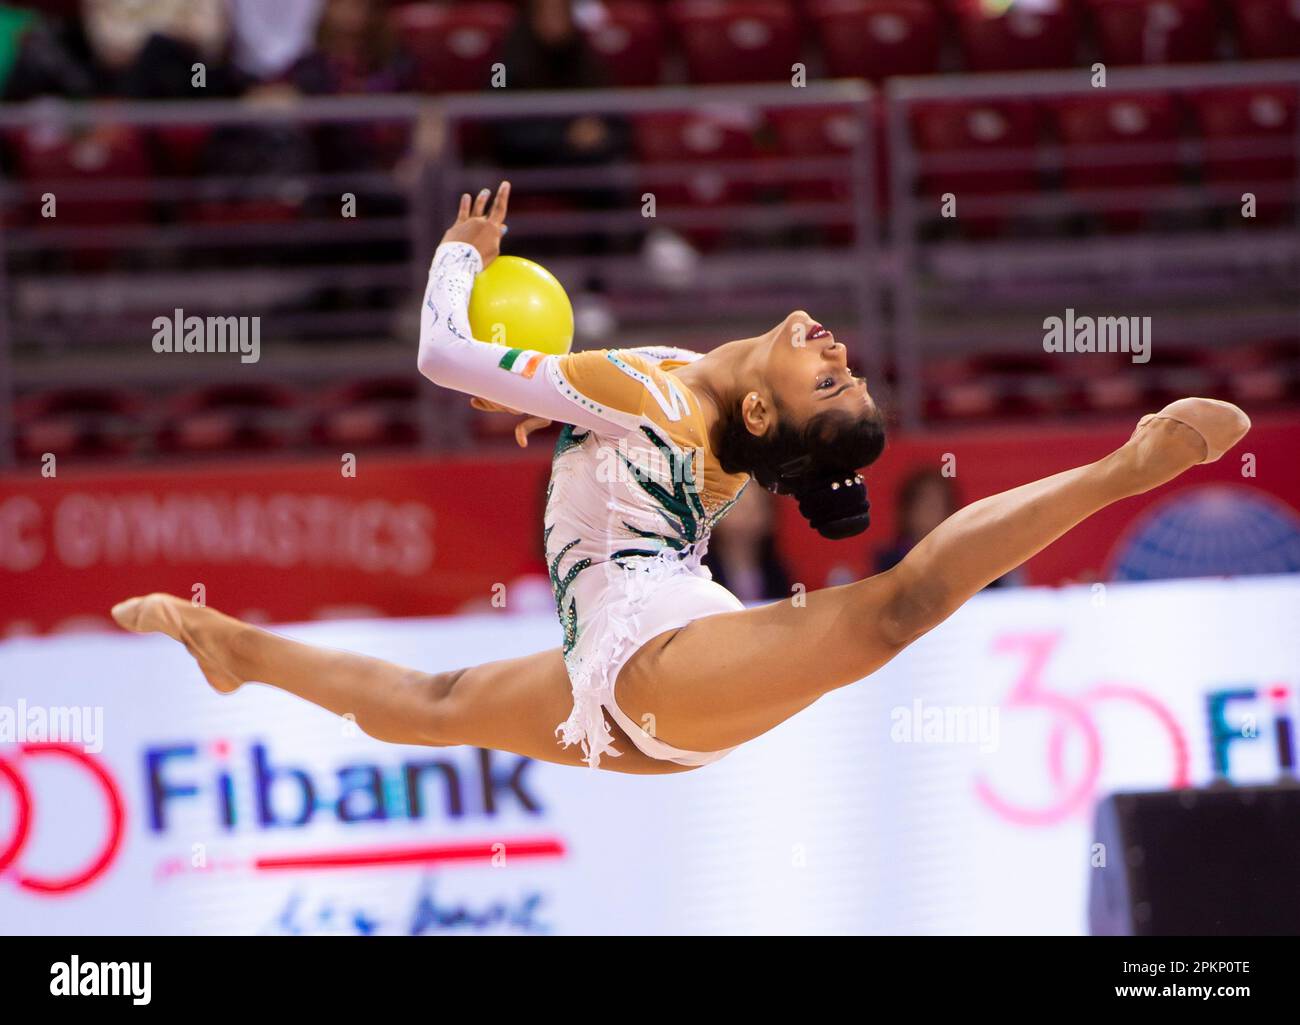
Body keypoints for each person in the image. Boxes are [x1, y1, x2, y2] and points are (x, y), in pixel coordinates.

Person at [112, 182, 1252, 775]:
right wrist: (559, 421)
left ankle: (1123, 464)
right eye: (843, 369)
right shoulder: (684, 416)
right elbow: (629, 452)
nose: (837, 349)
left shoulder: (654, 392)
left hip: (660, 659)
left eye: (827, 380)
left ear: (762, 410)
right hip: (628, 684)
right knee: (432, 704)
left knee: (894, 606)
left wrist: (462, 253)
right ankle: (235, 647)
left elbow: (441, 356)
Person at [876, 467, 1021, 587]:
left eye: (939, 504)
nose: (932, 511)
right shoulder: (888, 562)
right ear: (907, 511)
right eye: (926, 503)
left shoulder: (979, 558)